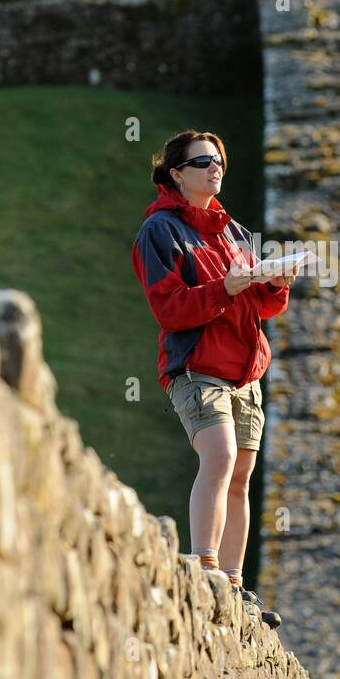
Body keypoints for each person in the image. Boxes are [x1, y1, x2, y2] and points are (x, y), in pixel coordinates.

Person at [131, 130, 301, 629]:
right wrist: (222, 287)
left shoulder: (236, 234)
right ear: (175, 173)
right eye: (202, 161)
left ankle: (232, 580)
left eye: (220, 160)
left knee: (242, 476)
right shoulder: (159, 231)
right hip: (197, 367)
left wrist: (275, 286)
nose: (215, 168)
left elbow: (260, 306)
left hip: (246, 372)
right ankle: (203, 565)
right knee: (221, 456)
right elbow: (169, 309)